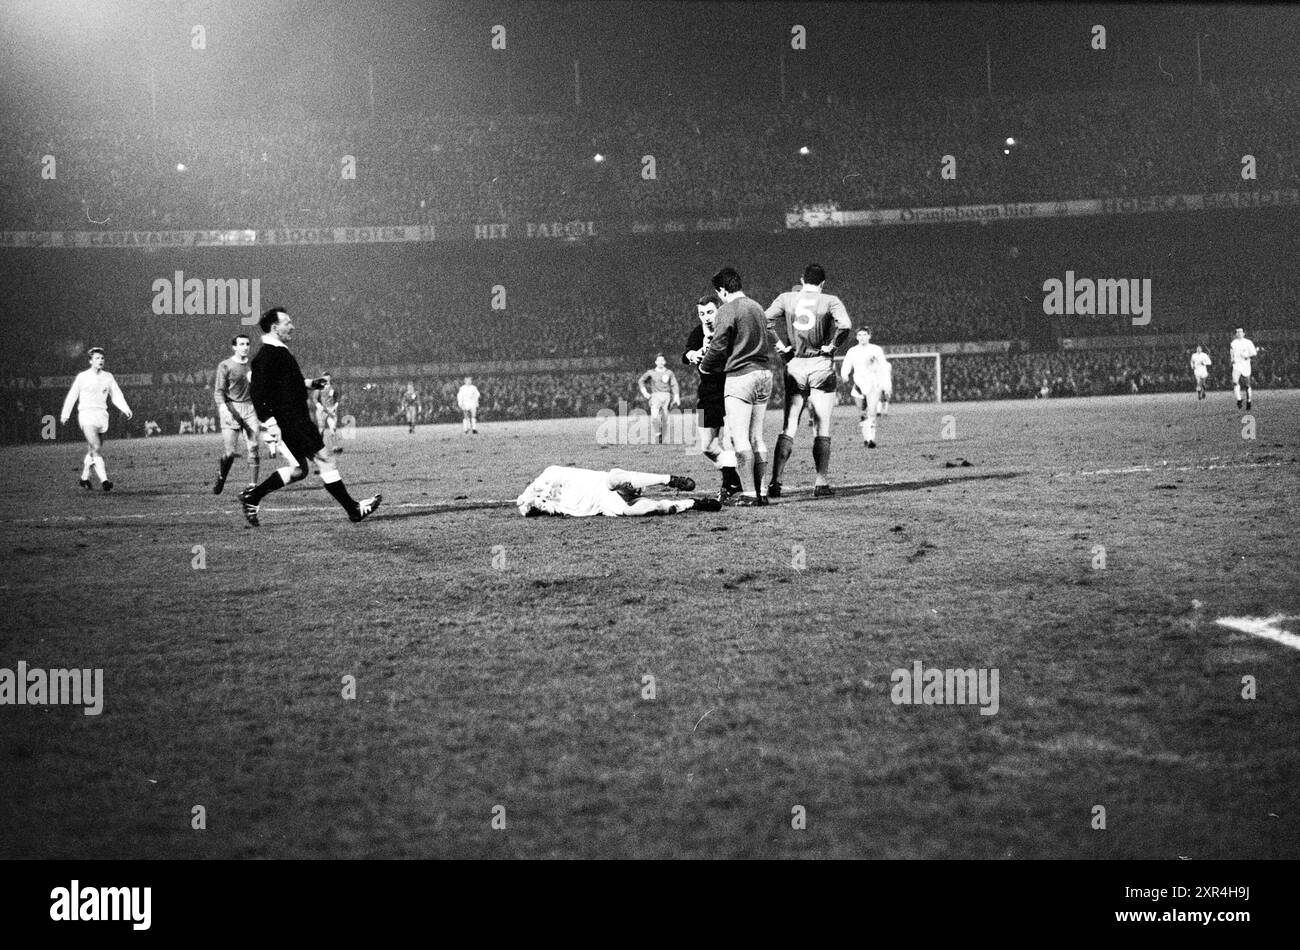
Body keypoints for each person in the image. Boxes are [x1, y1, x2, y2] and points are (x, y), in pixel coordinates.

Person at [239, 307, 381, 526]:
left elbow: (288, 383)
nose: (292, 326)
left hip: (296, 420)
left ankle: (253, 496)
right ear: (275, 327)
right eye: (288, 322)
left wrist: (310, 383)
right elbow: (258, 395)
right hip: (289, 422)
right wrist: (271, 423)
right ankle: (354, 510)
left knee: (299, 470)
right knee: (325, 459)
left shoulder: (279, 352)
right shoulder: (266, 356)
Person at [763, 264, 852, 497]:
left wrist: (781, 346)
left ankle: (775, 482)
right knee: (821, 426)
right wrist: (832, 346)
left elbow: (764, 320)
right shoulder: (830, 301)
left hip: (795, 365)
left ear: (802, 280)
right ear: (823, 284)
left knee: (789, 425)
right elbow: (846, 325)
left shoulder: (786, 298)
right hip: (820, 365)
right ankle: (821, 483)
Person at [699, 266, 778, 507]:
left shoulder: (727, 309)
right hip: (764, 374)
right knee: (757, 437)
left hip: (740, 376)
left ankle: (749, 494)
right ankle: (762, 491)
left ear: (721, 290)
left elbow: (719, 345)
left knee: (739, 438)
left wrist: (705, 366)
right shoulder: (757, 307)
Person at [682, 292, 742, 499]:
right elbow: (687, 353)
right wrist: (693, 354)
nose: (706, 317)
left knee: (729, 440)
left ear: (719, 311)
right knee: (707, 446)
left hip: (729, 388)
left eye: (709, 312)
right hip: (707, 392)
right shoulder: (698, 332)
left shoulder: (728, 331)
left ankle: (729, 486)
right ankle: (732, 477)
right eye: (701, 313)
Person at [60, 347, 133, 491]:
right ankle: (105, 481)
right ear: (90, 361)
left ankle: (84, 478)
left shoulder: (108, 377)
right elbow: (72, 395)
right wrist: (65, 414)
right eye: (97, 358)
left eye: (102, 358)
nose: (100, 361)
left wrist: (125, 408)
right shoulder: (82, 377)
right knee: (96, 447)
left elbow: (116, 394)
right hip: (86, 414)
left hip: (102, 416)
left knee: (93, 449)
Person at [516, 466, 718, 517]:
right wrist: (534, 507)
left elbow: (524, 499)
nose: (538, 505)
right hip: (604, 505)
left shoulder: (549, 475)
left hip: (608, 484)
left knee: (613, 478)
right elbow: (525, 507)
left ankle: (670, 479)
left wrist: (529, 500)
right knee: (648, 510)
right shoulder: (550, 508)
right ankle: (693, 503)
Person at [212, 334, 260, 494]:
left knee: (253, 447)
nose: (245, 347)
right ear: (234, 347)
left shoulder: (254, 365)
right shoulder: (225, 365)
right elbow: (218, 391)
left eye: (247, 344)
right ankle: (221, 476)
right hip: (231, 409)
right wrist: (223, 408)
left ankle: (253, 486)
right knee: (230, 453)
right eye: (241, 344)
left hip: (250, 409)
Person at [841, 327, 892, 447]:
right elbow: (846, 364)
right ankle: (866, 437)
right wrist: (845, 374)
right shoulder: (852, 351)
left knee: (872, 412)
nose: (862, 337)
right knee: (862, 413)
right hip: (858, 385)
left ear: (869, 336)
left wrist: (886, 385)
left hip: (873, 383)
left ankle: (871, 439)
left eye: (865, 334)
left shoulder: (876, 349)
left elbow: (883, 367)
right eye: (860, 335)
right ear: (857, 337)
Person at [637, 356, 680, 444]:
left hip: (667, 396)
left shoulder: (669, 373)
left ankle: (661, 437)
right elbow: (641, 381)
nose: (660, 362)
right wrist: (645, 392)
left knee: (664, 418)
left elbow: (674, 384)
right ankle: (658, 433)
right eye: (658, 360)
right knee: (655, 416)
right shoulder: (651, 372)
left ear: (665, 362)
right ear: (655, 362)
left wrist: (676, 396)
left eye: (662, 360)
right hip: (655, 396)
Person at [1229, 328, 1259, 410]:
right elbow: (1231, 351)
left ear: (1244, 333)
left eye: (1240, 332)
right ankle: (1239, 399)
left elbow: (1254, 353)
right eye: (1237, 332)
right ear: (1236, 334)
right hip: (1237, 364)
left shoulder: (1248, 342)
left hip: (1245, 365)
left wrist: (1247, 356)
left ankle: (1249, 401)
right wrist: (1232, 359)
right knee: (1235, 381)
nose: (1239, 333)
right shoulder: (1233, 343)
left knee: (1247, 385)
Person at [313, 373, 341, 454]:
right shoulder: (319, 388)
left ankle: (335, 447)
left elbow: (337, 398)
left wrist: (334, 407)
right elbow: (315, 399)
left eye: (328, 378)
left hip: (331, 410)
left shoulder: (333, 387)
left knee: (333, 428)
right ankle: (319, 447)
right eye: (325, 378)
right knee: (321, 430)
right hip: (322, 411)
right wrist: (319, 406)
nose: (327, 380)